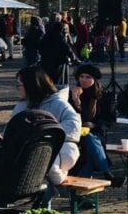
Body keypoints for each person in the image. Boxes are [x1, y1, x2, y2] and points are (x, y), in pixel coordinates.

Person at [12, 65, 81, 204]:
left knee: (43, 155)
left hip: (60, 150)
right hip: (30, 154)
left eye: (19, 85)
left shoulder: (58, 103)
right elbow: (10, 130)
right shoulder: (21, 106)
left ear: (32, 86)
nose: (17, 88)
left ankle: (52, 188)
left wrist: (46, 133)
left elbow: (74, 124)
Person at [68, 63, 123, 185]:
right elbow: (68, 117)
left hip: (97, 132)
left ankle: (81, 197)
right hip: (75, 133)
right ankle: (107, 174)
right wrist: (77, 103)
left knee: (88, 153)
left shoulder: (104, 95)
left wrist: (94, 125)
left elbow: (110, 118)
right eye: (81, 77)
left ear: (94, 79)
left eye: (88, 77)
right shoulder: (71, 94)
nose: (84, 80)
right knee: (87, 143)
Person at [39, 16, 78, 86]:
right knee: (58, 80)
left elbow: (40, 47)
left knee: (47, 78)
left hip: (46, 61)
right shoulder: (59, 37)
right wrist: (74, 58)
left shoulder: (46, 36)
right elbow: (67, 49)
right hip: (58, 62)